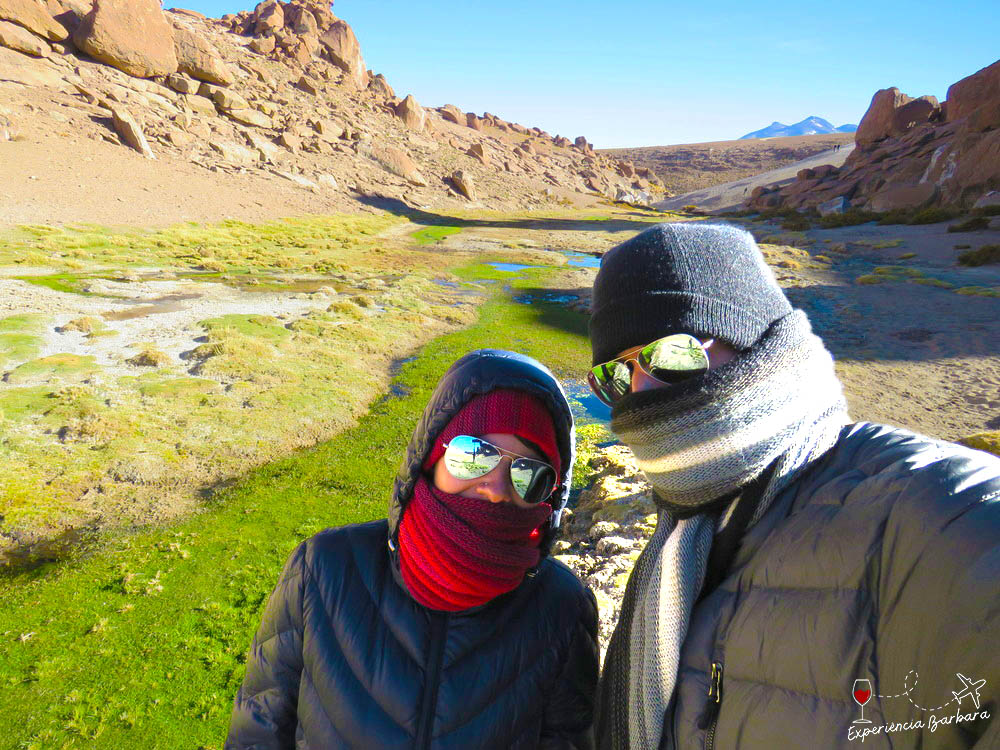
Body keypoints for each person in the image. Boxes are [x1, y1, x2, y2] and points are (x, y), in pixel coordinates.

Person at [586, 222, 1000, 749]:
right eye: (616, 376)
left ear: (761, 344)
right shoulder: (687, 526)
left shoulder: (929, 509)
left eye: (673, 354)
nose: (641, 389)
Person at [226, 349, 599, 749]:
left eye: (529, 473)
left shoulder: (562, 607)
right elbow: (259, 733)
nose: (495, 488)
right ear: (431, 457)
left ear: (550, 496)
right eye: (474, 454)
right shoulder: (324, 568)